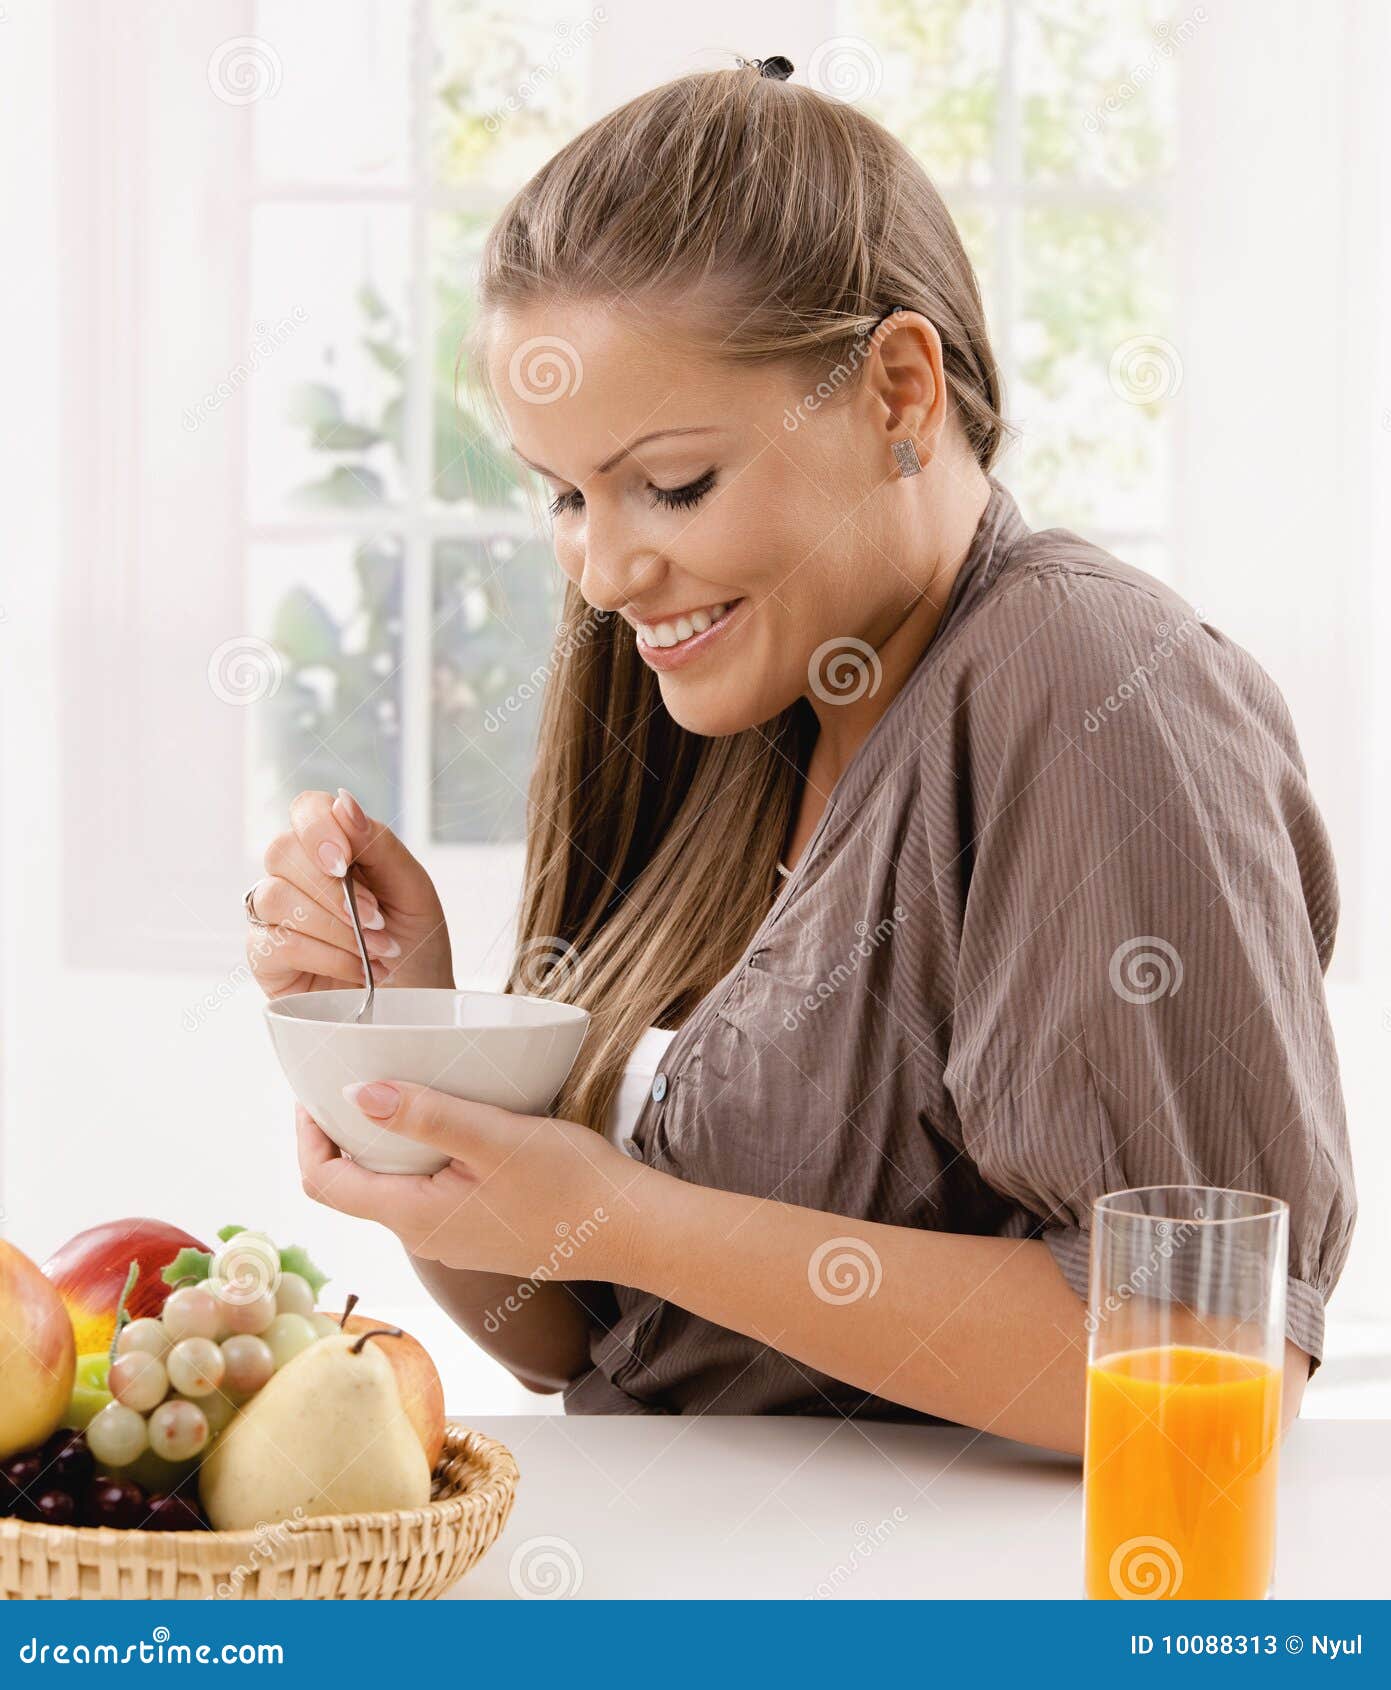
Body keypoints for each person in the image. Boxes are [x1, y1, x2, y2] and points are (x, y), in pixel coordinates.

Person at [244, 58, 1355, 1455]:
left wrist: (623, 1211)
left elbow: (1206, 1364)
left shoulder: (1090, 693)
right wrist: (408, 1039)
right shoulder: (716, 702)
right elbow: (576, 1337)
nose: (603, 571)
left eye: (674, 482)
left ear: (897, 389)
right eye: (564, 495)